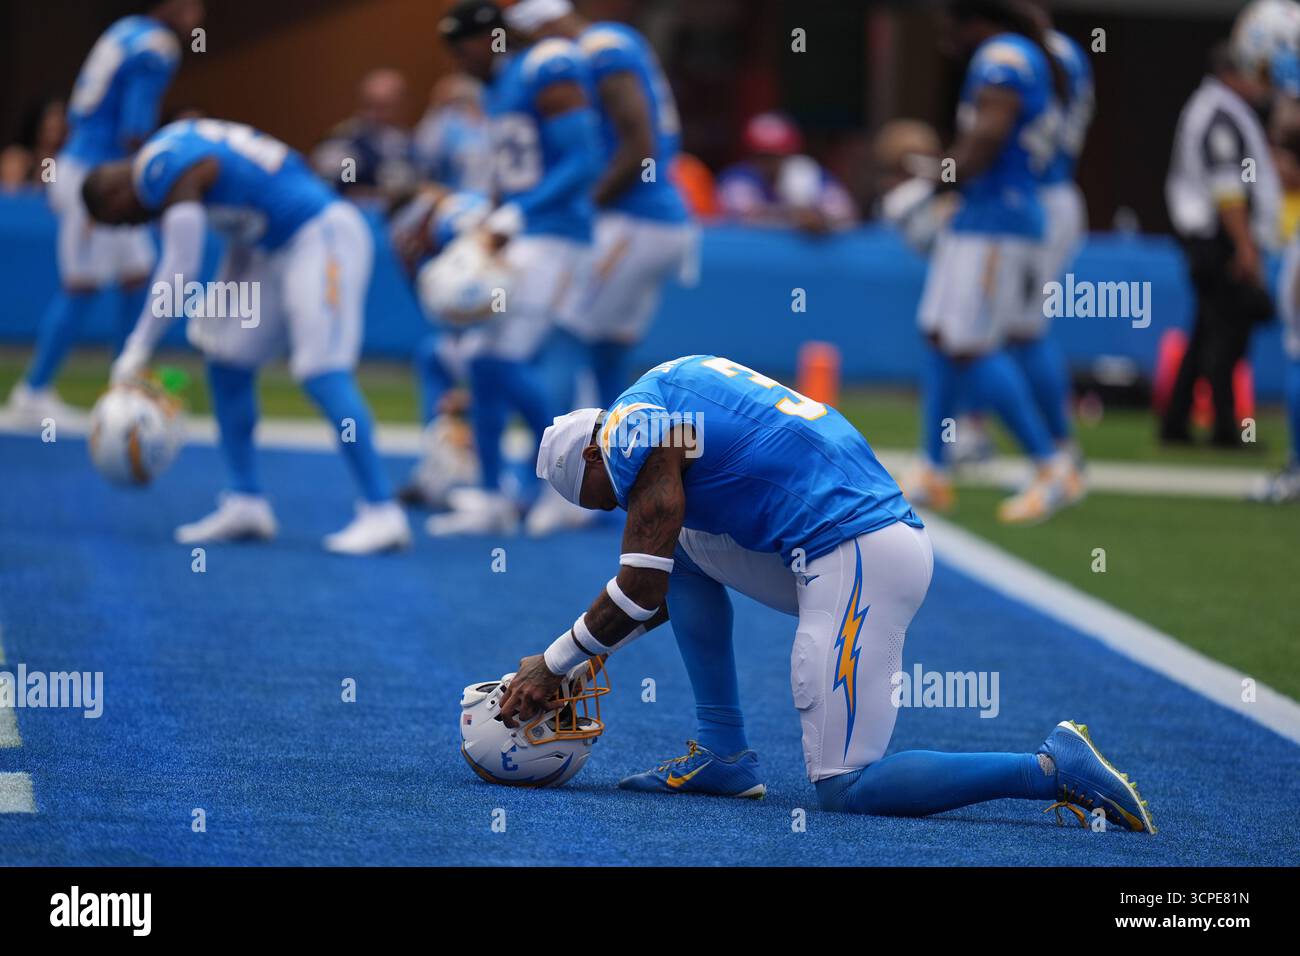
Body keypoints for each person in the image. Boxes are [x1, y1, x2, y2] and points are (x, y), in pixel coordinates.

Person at [492, 354, 1154, 832]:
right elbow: (656, 577)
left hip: (859, 551)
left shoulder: (634, 429)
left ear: (591, 456)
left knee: (846, 788)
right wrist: (591, 647)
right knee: (684, 548)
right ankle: (722, 752)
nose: (620, 509)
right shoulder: (664, 390)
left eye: (607, 497)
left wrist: (554, 665)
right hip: (838, 537)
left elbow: (638, 582)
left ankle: (1048, 766)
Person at [81, 118, 411, 554]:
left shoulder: (160, 170)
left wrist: (136, 348)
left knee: (321, 370)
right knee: (226, 357)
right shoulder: (173, 146)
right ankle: (246, 501)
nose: (130, 228)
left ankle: (382, 510)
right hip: (265, 243)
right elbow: (247, 206)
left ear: (116, 195)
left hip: (319, 233)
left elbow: (181, 269)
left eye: (120, 221)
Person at [500, 0, 698, 536]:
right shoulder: (611, 45)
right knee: (607, 353)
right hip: (656, 219)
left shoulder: (601, 48)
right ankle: (626, 483)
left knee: (564, 335)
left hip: (634, 220)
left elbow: (639, 145)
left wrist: (585, 205)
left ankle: (556, 487)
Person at [901, 0, 1082, 524]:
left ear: (974, 18)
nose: (942, 37)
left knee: (971, 344)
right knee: (939, 334)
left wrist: (932, 181)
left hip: (998, 220)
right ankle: (933, 468)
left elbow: (985, 139)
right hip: (983, 216)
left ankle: (1052, 465)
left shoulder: (1004, 56)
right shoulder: (1021, 54)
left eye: (948, 24)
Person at [430, 0, 603, 536]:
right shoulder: (496, 88)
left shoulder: (546, 65)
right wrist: (491, 212)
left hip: (556, 236)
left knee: (498, 357)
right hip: (523, 233)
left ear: (488, 39)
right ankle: (491, 497)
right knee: (480, 357)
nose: (459, 64)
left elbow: (585, 159)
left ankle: (580, 479)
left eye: (462, 50)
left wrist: (515, 213)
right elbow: (513, 170)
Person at [5, 0, 206, 424]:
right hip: (100, 178)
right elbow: (133, 126)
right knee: (82, 283)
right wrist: (154, 173)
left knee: (136, 275)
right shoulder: (156, 47)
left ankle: (126, 384)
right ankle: (33, 390)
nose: (194, 17)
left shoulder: (127, 29)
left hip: (94, 168)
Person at [1161, 2, 1296, 448]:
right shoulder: (1219, 113)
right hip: (1218, 238)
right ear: (1228, 71)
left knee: (1205, 333)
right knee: (1227, 336)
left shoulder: (1223, 109)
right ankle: (1223, 428)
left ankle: (1176, 424)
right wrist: (1245, 247)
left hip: (1214, 237)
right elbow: (1228, 191)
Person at [717, 112, 857, 234]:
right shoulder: (738, 179)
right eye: (763, 155)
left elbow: (845, 215)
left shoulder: (810, 174)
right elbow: (743, 217)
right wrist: (795, 216)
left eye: (776, 155)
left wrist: (821, 220)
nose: (769, 162)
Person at [312, 68, 419, 208]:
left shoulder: (405, 140)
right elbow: (342, 190)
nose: (376, 114)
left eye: (385, 107)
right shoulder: (344, 145)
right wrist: (380, 195)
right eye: (370, 105)